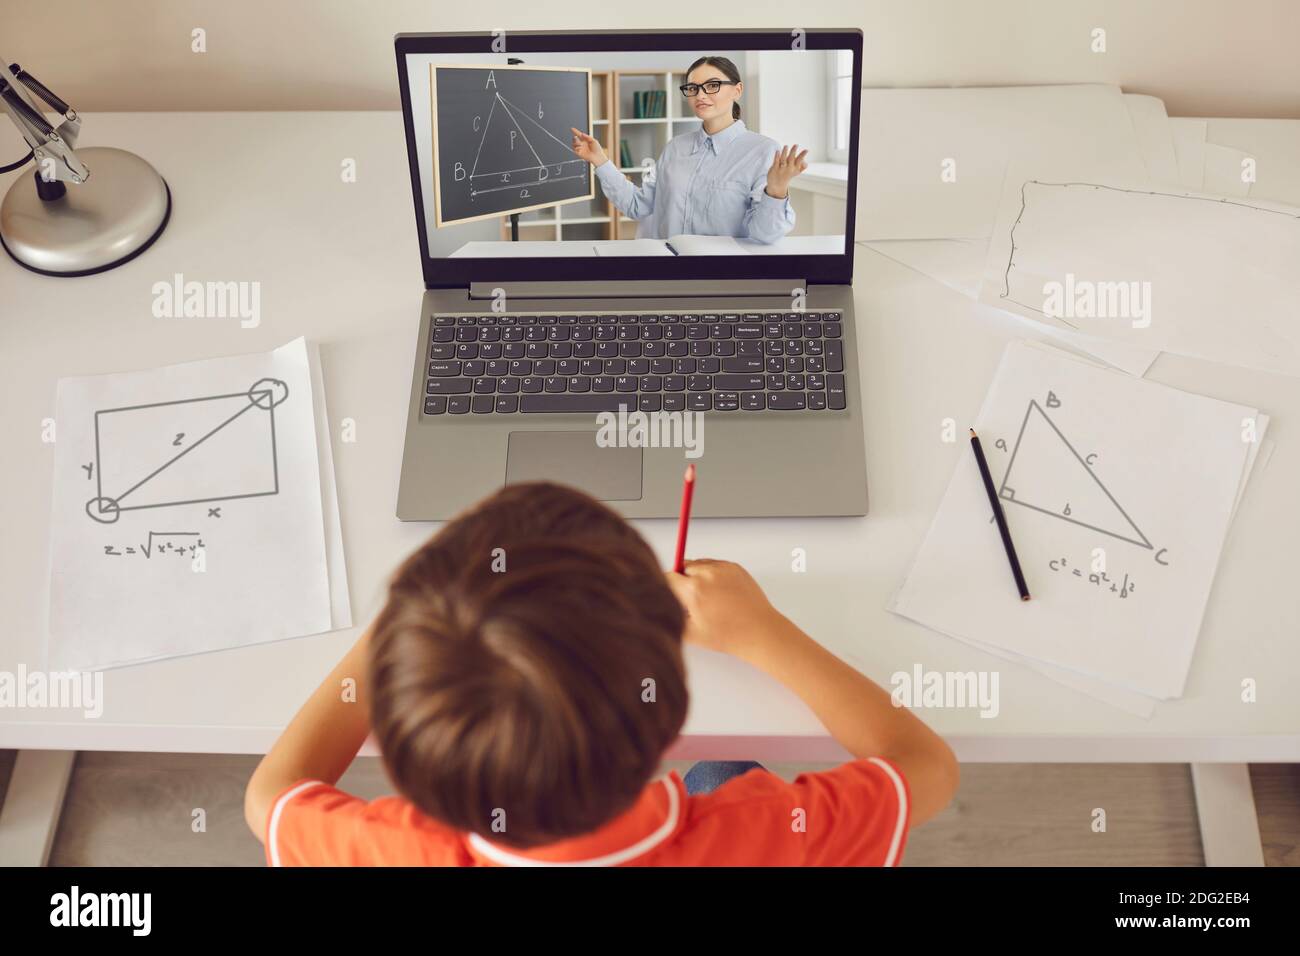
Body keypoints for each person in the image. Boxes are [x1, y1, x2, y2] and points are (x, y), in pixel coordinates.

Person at [244, 482, 959, 866]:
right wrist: (763, 635)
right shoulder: (764, 834)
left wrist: (410, 623)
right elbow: (927, 766)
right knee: (729, 765)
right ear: (667, 714)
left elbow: (269, 797)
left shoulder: (396, 851)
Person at [570, 55, 807, 244]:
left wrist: (776, 191)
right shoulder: (675, 147)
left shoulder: (763, 151)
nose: (700, 95)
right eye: (693, 88)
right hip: (666, 274)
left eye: (712, 85)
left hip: (722, 280)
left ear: (737, 90)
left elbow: (764, 234)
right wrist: (600, 160)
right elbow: (638, 205)